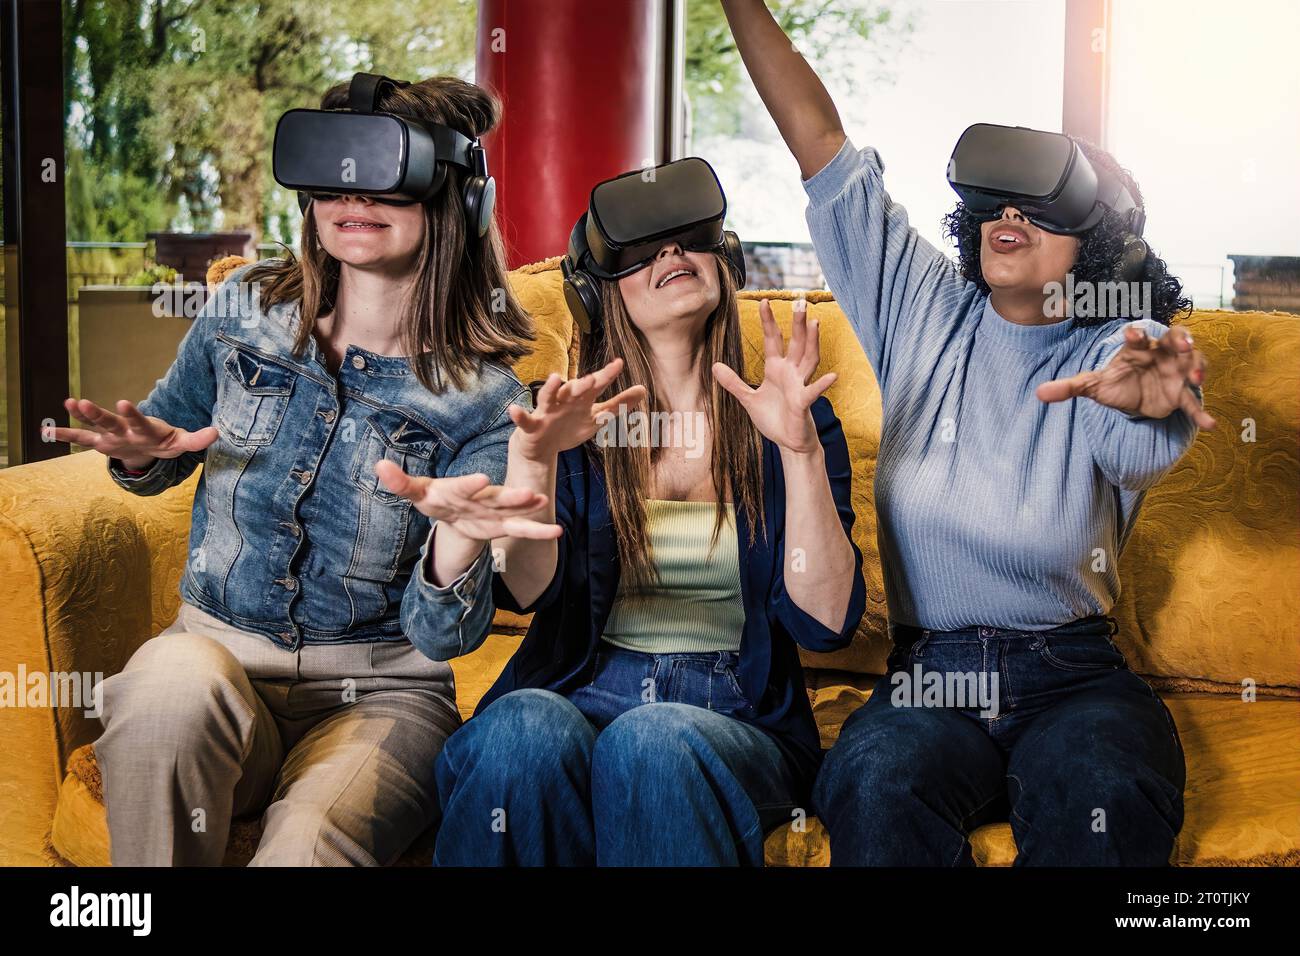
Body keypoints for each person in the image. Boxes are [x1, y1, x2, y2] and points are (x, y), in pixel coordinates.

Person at [722, 0, 1213, 865]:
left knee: (1109, 791)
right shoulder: (920, 308)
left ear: (1098, 250)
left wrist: (1149, 395)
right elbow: (819, 142)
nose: (1005, 214)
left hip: (1072, 677)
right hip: (931, 675)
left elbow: (1136, 446)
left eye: (1041, 206)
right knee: (873, 782)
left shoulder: (1108, 346)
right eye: (993, 201)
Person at [54, 74, 558, 866]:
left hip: (384, 695)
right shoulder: (241, 311)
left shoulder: (488, 401)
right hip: (218, 664)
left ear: (457, 203)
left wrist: (457, 548)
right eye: (330, 171)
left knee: (305, 847)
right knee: (161, 689)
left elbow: (446, 636)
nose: (351, 195)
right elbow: (162, 450)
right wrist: (139, 454)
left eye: (385, 174)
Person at [429, 160, 866, 865]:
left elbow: (825, 623)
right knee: (518, 732)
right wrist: (534, 459)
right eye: (640, 249)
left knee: (653, 740)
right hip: (577, 689)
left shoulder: (790, 422)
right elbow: (527, 590)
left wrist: (801, 453)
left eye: (690, 237)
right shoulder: (568, 419)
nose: (671, 253)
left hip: (731, 716)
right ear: (598, 295)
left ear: (724, 263)